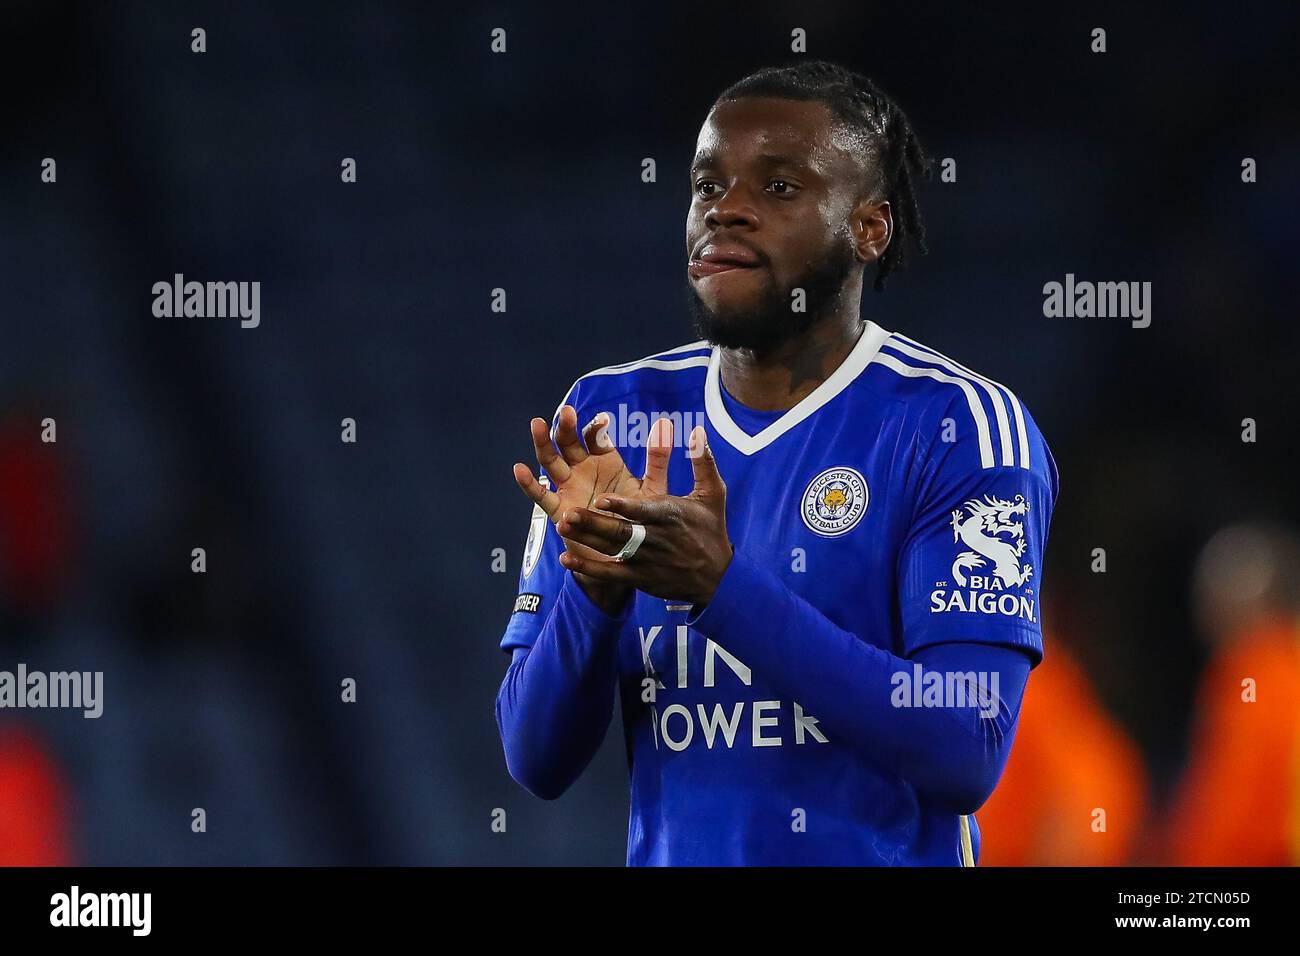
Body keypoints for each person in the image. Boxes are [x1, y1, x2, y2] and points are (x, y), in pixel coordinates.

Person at [496, 61, 1057, 865]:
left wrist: (722, 591)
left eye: (780, 188)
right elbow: (534, 757)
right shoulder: (612, 417)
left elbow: (966, 744)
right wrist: (594, 590)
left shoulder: (955, 427)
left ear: (870, 227)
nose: (725, 211)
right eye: (706, 185)